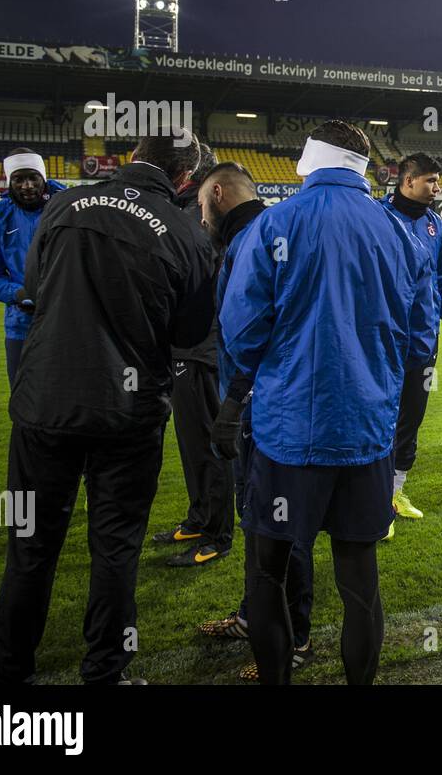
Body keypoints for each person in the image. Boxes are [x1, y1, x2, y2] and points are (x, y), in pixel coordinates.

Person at [0, 132, 215, 684]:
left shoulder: (64, 204)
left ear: (132, 158)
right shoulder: (187, 231)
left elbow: (34, 288)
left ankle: (8, 675)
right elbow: (191, 331)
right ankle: (105, 672)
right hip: (127, 412)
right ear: (185, 179)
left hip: (46, 400)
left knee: (30, 546)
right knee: (115, 547)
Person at [220, 120, 427, 684]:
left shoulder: (276, 222)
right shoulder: (398, 231)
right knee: (360, 580)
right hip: (365, 432)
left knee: (269, 573)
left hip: (291, 432)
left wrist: (245, 390)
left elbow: (241, 328)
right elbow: (417, 332)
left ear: (308, 162)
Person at [192, 162, 315, 680]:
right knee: (263, 523)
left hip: (261, 407)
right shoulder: (272, 231)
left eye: (201, 205)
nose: (201, 217)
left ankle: (297, 640)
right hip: (266, 401)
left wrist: (233, 403)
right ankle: (254, 616)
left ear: (217, 194)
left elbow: (249, 332)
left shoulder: (253, 239)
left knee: (278, 526)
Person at [152, 143, 233, 566]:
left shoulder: (204, 213)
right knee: (190, 441)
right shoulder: (180, 207)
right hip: (183, 347)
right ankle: (200, 516)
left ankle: (218, 534)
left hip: (204, 349)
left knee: (210, 443)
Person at [383, 152, 442, 534]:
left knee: (411, 420)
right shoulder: (379, 219)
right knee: (380, 420)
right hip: (383, 340)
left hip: (423, 340)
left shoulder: (434, 225)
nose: (437, 187)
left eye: (438, 180)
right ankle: (373, 502)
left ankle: (395, 495)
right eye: (430, 180)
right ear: (408, 181)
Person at [0, 148, 65, 387]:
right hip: (21, 326)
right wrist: (21, 294)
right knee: (23, 398)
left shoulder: (70, 206)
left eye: (32, 178)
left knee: (70, 399)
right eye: (19, 179)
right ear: (9, 181)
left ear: (43, 178)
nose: (27, 186)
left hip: (68, 321)